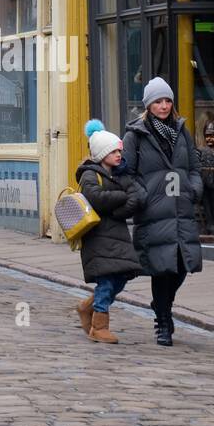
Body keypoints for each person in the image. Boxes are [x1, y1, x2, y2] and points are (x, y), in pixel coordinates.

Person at [122, 77, 203, 347]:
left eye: (168, 100)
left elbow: (194, 165)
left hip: (181, 210)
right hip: (154, 213)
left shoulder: (181, 131)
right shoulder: (135, 134)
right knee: (162, 268)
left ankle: (160, 305)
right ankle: (163, 323)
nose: (164, 105)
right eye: (158, 101)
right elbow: (127, 174)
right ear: (149, 105)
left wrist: (194, 189)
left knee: (180, 267)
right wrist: (143, 196)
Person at [74, 120, 146, 344]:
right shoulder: (89, 175)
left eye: (119, 151)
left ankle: (88, 306)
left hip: (117, 234)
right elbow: (97, 199)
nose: (118, 155)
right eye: (114, 151)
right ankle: (99, 326)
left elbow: (138, 197)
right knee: (106, 280)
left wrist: (116, 210)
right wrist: (121, 198)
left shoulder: (121, 174)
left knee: (122, 276)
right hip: (97, 237)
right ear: (101, 153)